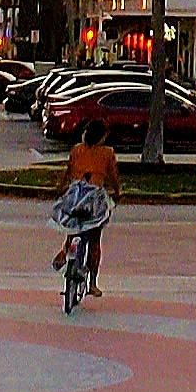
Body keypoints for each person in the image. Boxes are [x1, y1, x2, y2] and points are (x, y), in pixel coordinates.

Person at [61, 117, 120, 295]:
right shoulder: (107, 153)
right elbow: (113, 177)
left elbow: (68, 172)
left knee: (73, 230)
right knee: (94, 240)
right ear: (102, 136)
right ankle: (92, 283)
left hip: (74, 198)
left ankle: (66, 250)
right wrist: (117, 192)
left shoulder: (76, 150)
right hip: (94, 200)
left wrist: (62, 189)